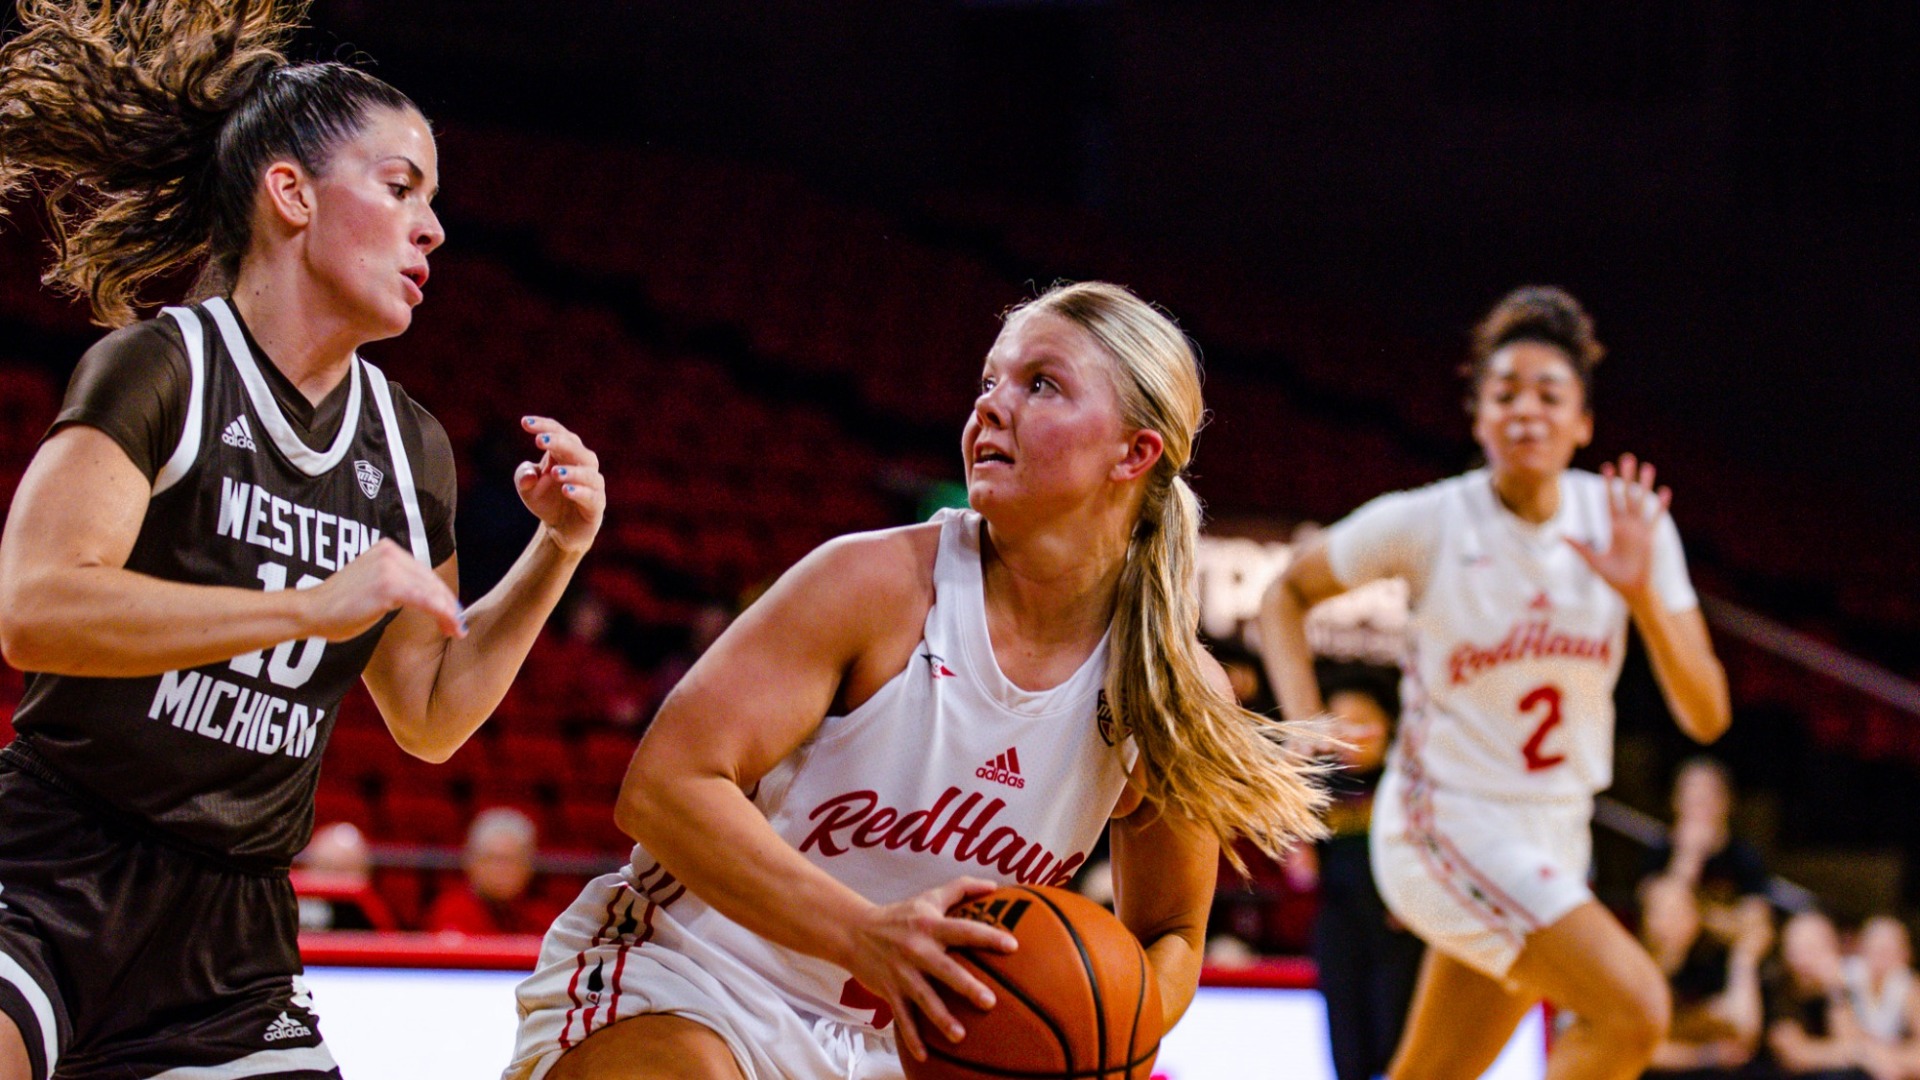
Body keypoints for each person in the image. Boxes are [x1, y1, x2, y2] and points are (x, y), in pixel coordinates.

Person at [504, 281, 1329, 1080]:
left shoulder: (1167, 686)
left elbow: (1172, 934)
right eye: (988, 382)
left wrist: (1096, 1029)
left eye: (1040, 384)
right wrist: (863, 936)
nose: (990, 407)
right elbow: (663, 790)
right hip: (693, 978)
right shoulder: (874, 584)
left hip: (908, 1051)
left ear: (1136, 452)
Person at [0, 3, 606, 1077]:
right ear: (290, 193)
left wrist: (554, 552)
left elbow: (429, 715)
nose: (434, 229)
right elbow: (37, 608)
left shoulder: (409, 446)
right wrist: (305, 607)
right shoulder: (164, 367)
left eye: (434, 201)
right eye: (400, 187)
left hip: (233, 933)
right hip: (51, 869)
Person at [1258, 285, 1731, 1080]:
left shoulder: (1628, 524)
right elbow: (1284, 595)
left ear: (1583, 422)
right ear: (1477, 418)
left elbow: (1707, 716)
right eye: (1504, 394)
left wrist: (1644, 595)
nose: (1526, 412)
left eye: (1550, 395)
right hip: (1448, 827)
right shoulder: (1431, 520)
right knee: (1634, 1009)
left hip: (1555, 833)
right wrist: (1307, 739)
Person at [1282, 661, 1425, 1080]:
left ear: (1389, 725)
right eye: (1340, 725)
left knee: (1399, 1044)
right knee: (1347, 1046)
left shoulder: (1408, 784)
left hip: (1399, 925)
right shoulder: (1318, 786)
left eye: (1363, 722)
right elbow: (1301, 874)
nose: (1352, 736)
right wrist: (1296, 841)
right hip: (1341, 924)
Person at [1638, 873, 1770, 1079]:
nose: (1671, 920)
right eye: (1661, 911)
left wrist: (1744, 960)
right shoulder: (1637, 968)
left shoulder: (1712, 961)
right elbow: (1642, 1051)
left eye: (1679, 910)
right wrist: (1703, 1051)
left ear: (1696, 915)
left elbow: (1746, 1031)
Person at [1645, 756, 1772, 942]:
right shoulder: (1660, 850)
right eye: (1691, 795)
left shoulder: (1744, 855)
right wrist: (1688, 856)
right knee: (1670, 909)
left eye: (1707, 795)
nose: (1699, 803)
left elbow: (1755, 922)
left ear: (1726, 802)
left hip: (1723, 962)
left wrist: (1700, 915)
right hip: (1673, 962)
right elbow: (1660, 919)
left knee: (1759, 934)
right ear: (1675, 802)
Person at [1765, 911, 1875, 1080]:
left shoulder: (1838, 990)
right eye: (1798, 948)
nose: (1804, 958)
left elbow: (1852, 1041)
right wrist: (1857, 1054)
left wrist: (1836, 991)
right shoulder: (1776, 986)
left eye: (1814, 948)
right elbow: (1795, 1055)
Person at [427, 807, 552, 935]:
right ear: (472, 863)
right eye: (493, 859)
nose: (501, 870)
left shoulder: (543, 919)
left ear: (528, 867)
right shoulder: (450, 912)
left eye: (511, 860)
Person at [1843, 916, 1920, 1080]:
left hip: (1890, 1064)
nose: (1881, 956)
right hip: (1849, 1066)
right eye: (1876, 948)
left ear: (1905, 954)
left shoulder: (1909, 985)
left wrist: (1890, 1059)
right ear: (1861, 948)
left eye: (1889, 950)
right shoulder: (1844, 976)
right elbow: (1845, 1040)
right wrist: (1878, 1059)